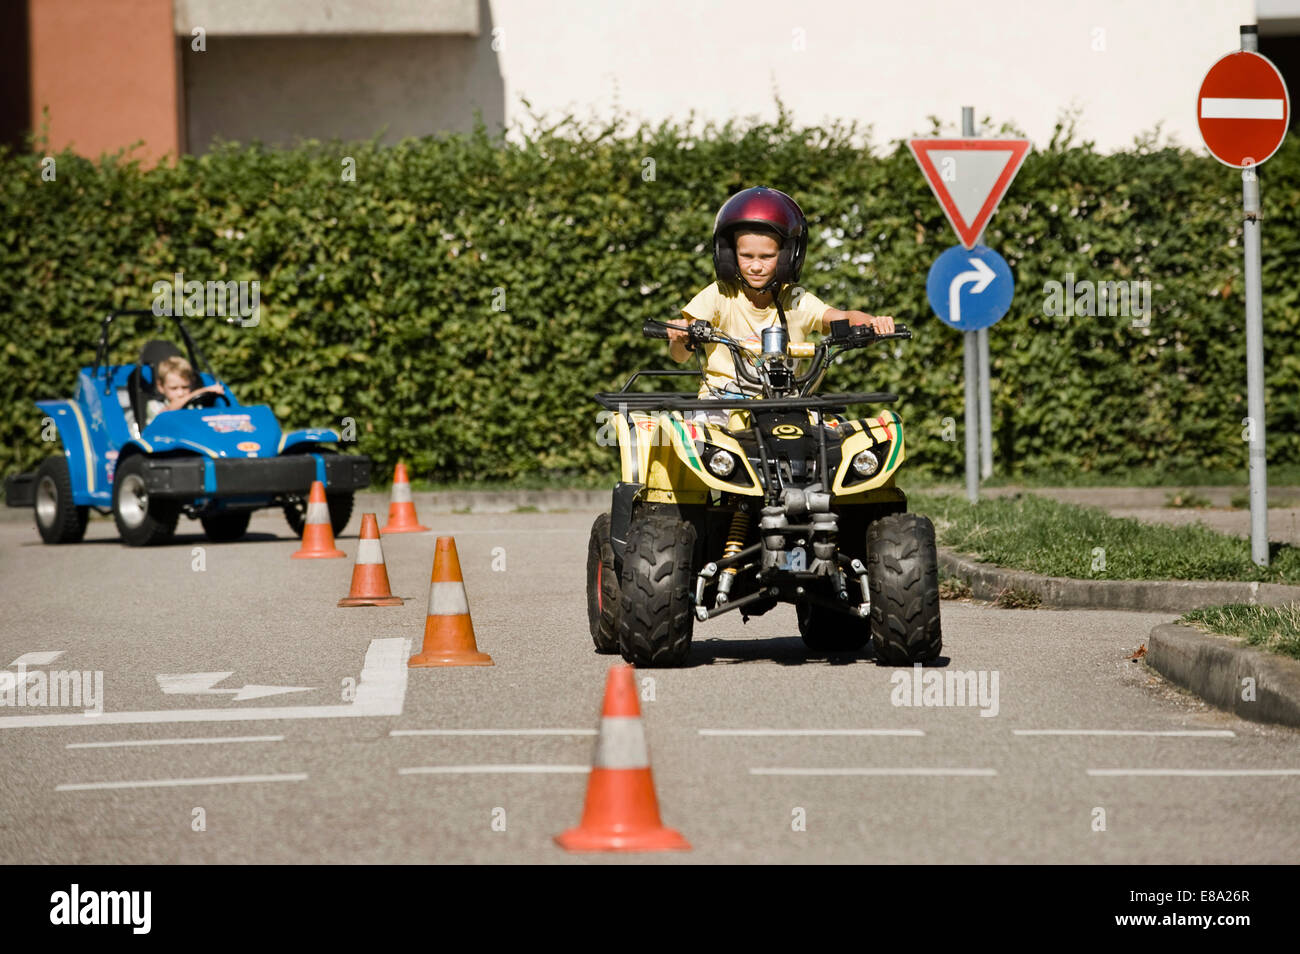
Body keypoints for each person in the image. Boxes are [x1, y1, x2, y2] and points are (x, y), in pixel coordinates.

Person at [666, 187, 895, 423]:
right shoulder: (720, 294)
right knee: (704, 443)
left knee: (830, 442)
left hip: (785, 403)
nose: (755, 266)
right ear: (729, 255)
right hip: (720, 404)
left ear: (788, 257)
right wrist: (680, 336)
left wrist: (872, 323)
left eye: (766, 257)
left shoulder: (794, 299)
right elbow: (681, 354)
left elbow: (841, 317)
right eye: (746, 256)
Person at [143, 355, 223, 426]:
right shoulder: (154, 405)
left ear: (192, 384)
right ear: (160, 386)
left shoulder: (196, 405)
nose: (180, 393)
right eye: (174, 388)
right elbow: (169, 411)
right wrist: (203, 390)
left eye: (185, 387)